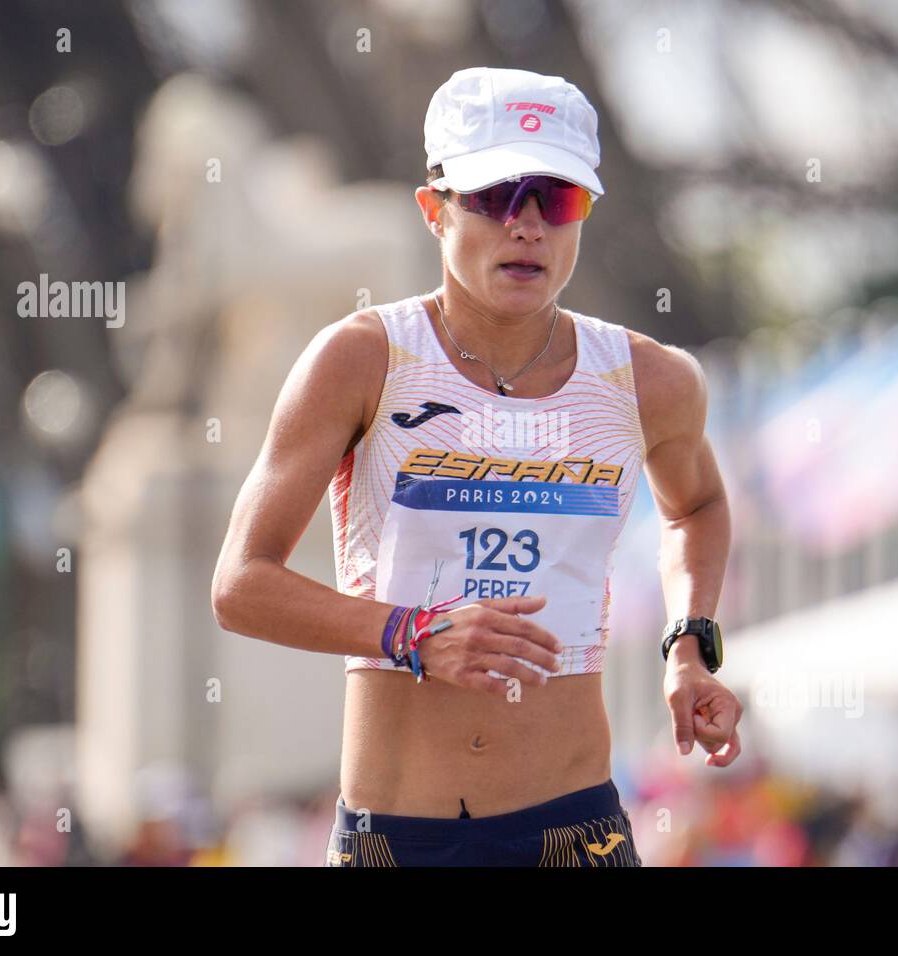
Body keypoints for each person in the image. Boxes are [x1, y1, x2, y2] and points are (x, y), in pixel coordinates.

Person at [212, 66, 739, 866]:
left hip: (575, 832)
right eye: (496, 195)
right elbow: (240, 584)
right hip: (397, 835)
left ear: (584, 215)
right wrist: (413, 633)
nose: (527, 227)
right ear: (435, 210)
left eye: (556, 200)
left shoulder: (651, 380)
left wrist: (689, 644)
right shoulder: (362, 360)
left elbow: (695, 507)